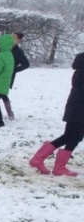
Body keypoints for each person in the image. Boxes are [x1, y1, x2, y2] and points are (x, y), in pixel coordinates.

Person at [29, 49, 83, 177]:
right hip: (79, 109)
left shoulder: (80, 68)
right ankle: (53, 165)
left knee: (71, 136)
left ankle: (45, 161)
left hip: (76, 107)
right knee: (73, 136)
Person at [3, 31, 30, 120]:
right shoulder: (5, 47)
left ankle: (10, 113)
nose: (11, 39)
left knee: (0, 93)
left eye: (14, 38)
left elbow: (26, 64)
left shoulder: (18, 52)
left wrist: (13, 70)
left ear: (18, 40)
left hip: (8, 76)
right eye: (10, 37)